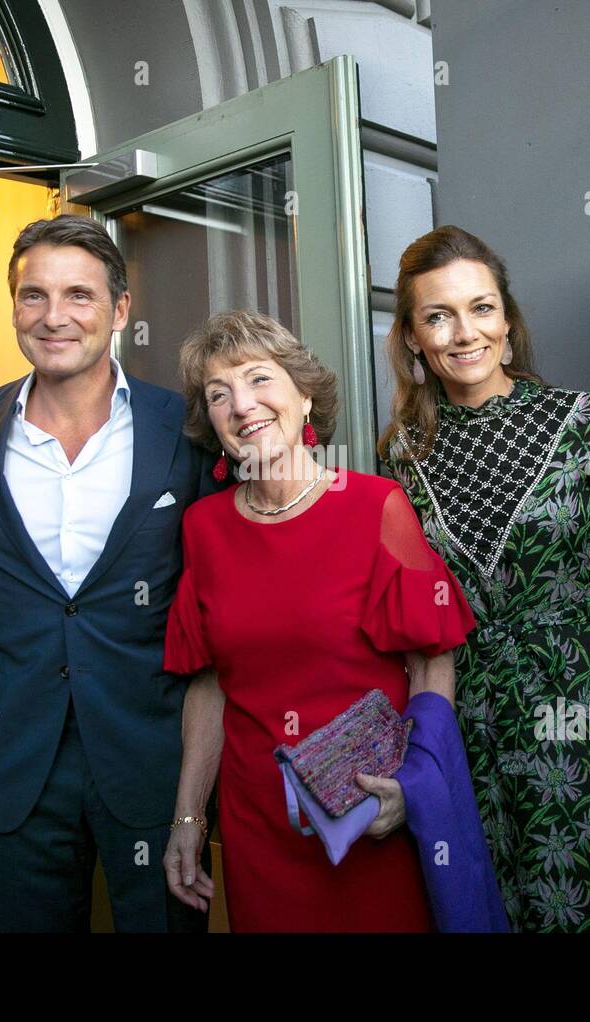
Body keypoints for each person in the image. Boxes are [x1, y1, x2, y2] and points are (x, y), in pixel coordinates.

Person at [161, 309, 478, 932]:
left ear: (305, 397)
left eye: (259, 380)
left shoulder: (374, 506)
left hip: (368, 810)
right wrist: (188, 818)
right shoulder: (203, 528)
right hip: (259, 828)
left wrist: (411, 785)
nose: (241, 405)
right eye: (218, 394)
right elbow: (210, 684)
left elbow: (431, 657)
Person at [0, 215, 214, 932]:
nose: (53, 317)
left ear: (121, 310)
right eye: (33, 296)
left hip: (151, 758)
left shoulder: (182, 428)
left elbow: (222, 589)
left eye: (79, 296)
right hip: (13, 764)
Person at [377, 226, 590, 932]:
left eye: (482, 308)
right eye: (438, 316)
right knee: (481, 905)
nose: (464, 333)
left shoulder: (581, 421)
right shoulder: (400, 454)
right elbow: (405, 612)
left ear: (507, 319)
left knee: (588, 905)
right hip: (462, 716)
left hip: (576, 710)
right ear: (412, 337)